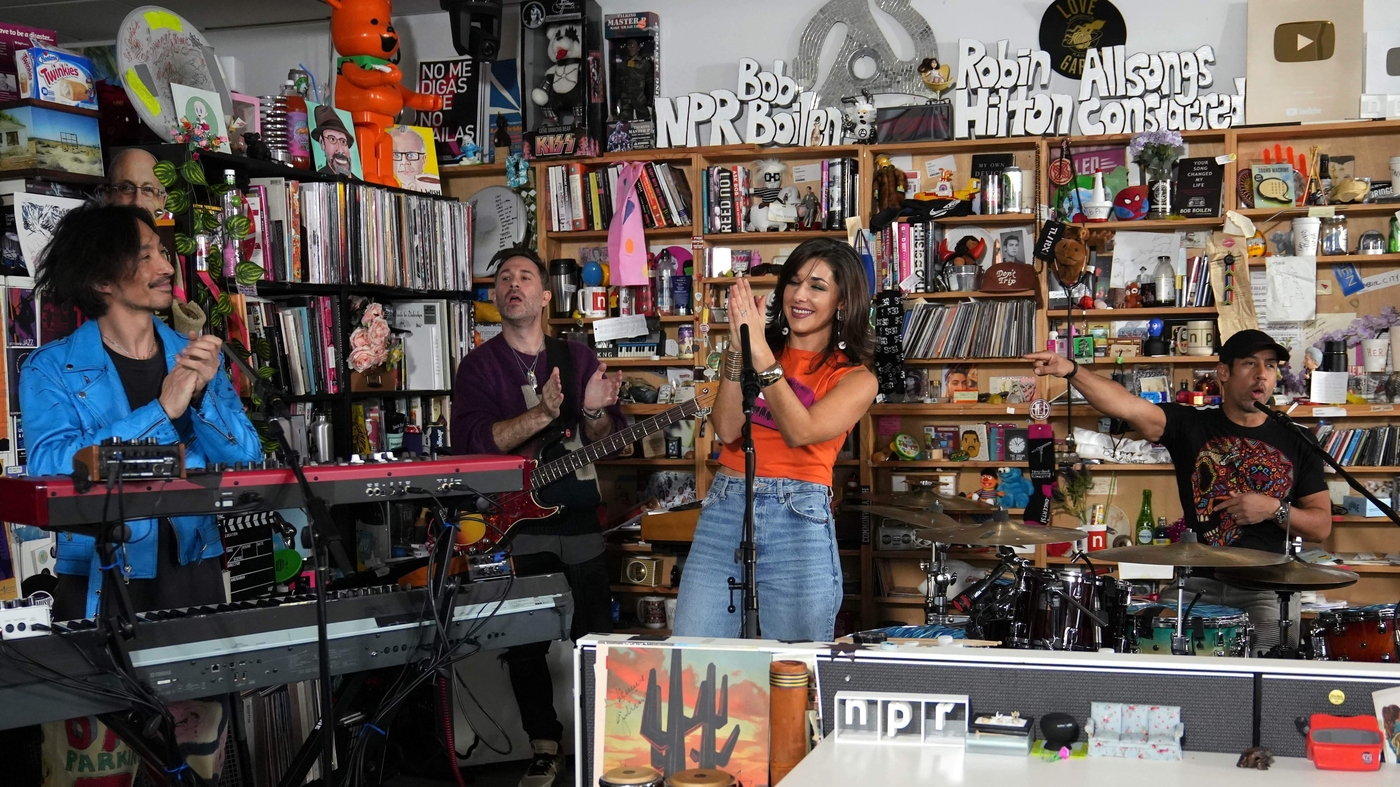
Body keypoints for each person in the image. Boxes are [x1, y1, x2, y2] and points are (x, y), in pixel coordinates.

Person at [21, 203, 262, 781]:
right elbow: (55, 467)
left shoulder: (194, 355)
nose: (164, 266)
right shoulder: (49, 369)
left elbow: (247, 456)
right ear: (103, 280)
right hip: (100, 586)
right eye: (145, 254)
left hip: (192, 575)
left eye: (162, 250)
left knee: (199, 766)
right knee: (100, 767)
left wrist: (201, 396)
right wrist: (164, 409)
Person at [1026, 329, 1331, 651]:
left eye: (1270, 366)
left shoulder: (1298, 439)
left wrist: (1275, 509)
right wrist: (1072, 370)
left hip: (1267, 588)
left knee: (1268, 665)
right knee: (1152, 642)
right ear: (1223, 373)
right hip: (1195, 583)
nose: (1261, 375)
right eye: (1249, 364)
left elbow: (1321, 526)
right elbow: (1125, 406)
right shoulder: (1191, 424)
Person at [450, 247, 622, 787]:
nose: (513, 284)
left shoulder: (576, 358)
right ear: (496, 296)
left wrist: (592, 411)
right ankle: (544, 747)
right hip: (516, 527)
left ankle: (607, 745)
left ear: (547, 295)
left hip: (579, 521)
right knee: (522, 644)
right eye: (503, 278)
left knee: (597, 639)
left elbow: (607, 440)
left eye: (525, 276)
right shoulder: (478, 367)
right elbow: (474, 442)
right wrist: (542, 414)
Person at [673, 238, 877, 641]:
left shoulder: (856, 379)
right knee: (695, 653)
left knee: (794, 667)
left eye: (817, 286)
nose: (800, 295)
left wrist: (761, 354)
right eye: (794, 282)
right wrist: (737, 348)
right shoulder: (755, 351)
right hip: (727, 505)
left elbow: (800, 430)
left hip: (797, 517)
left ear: (842, 302)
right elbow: (728, 430)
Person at [387, 125, 438, 192]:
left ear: (423, 160)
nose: (404, 162)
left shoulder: (435, 186)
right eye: (396, 155)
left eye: (411, 155)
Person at [311, 104, 356, 176]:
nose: (340, 150)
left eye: (343, 141)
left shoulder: (361, 184)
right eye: (332, 139)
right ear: (322, 143)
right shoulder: (318, 178)